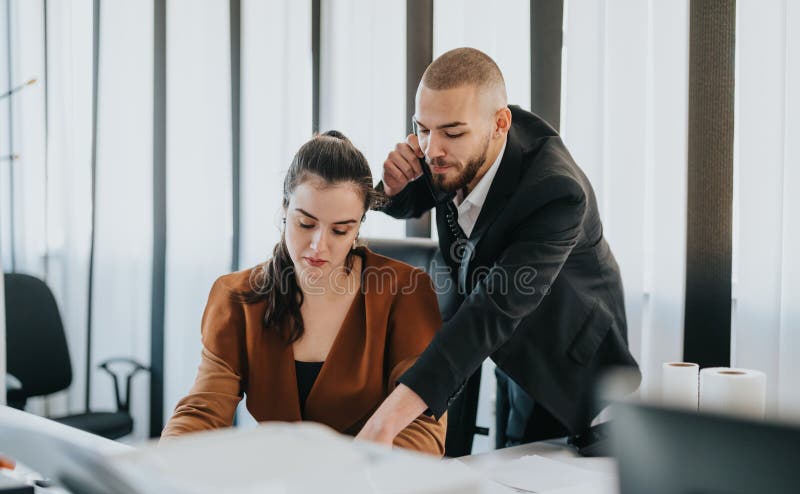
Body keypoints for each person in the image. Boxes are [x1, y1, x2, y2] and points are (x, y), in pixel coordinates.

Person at [357, 48, 640, 448]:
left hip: (564, 357)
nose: (432, 148)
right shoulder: (452, 146)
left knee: (531, 485)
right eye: (422, 128)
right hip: (505, 345)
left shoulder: (557, 193)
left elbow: (492, 310)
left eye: (451, 133)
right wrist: (392, 191)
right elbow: (422, 193)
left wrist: (384, 423)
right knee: (501, 456)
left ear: (500, 124)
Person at [162, 131, 446, 456]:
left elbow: (423, 429)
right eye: (305, 224)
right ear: (285, 208)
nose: (318, 246)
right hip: (281, 490)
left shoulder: (405, 293)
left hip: (372, 490)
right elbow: (203, 412)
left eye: (340, 230)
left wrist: (353, 484)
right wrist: (166, 464)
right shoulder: (238, 298)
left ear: (358, 227)